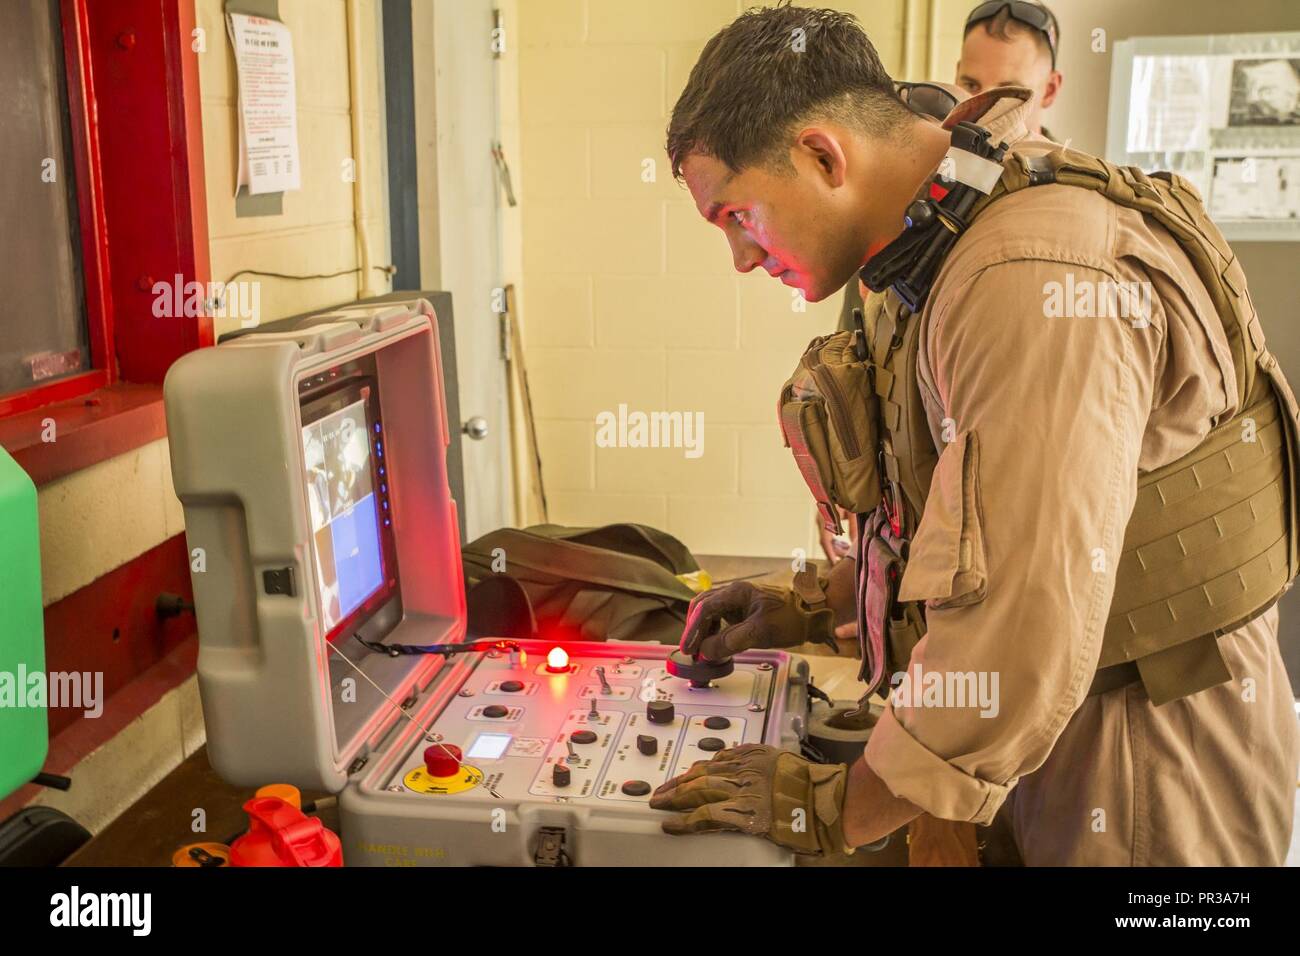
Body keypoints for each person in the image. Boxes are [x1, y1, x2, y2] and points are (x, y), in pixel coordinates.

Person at [651, 4, 1299, 865]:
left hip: (1140, 776)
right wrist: (810, 605)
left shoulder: (1025, 276)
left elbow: (1023, 616)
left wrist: (832, 806)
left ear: (821, 154)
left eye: (735, 215)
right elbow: (954, 529)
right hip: (1029, 748)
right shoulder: (928, 245)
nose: (739, 255)